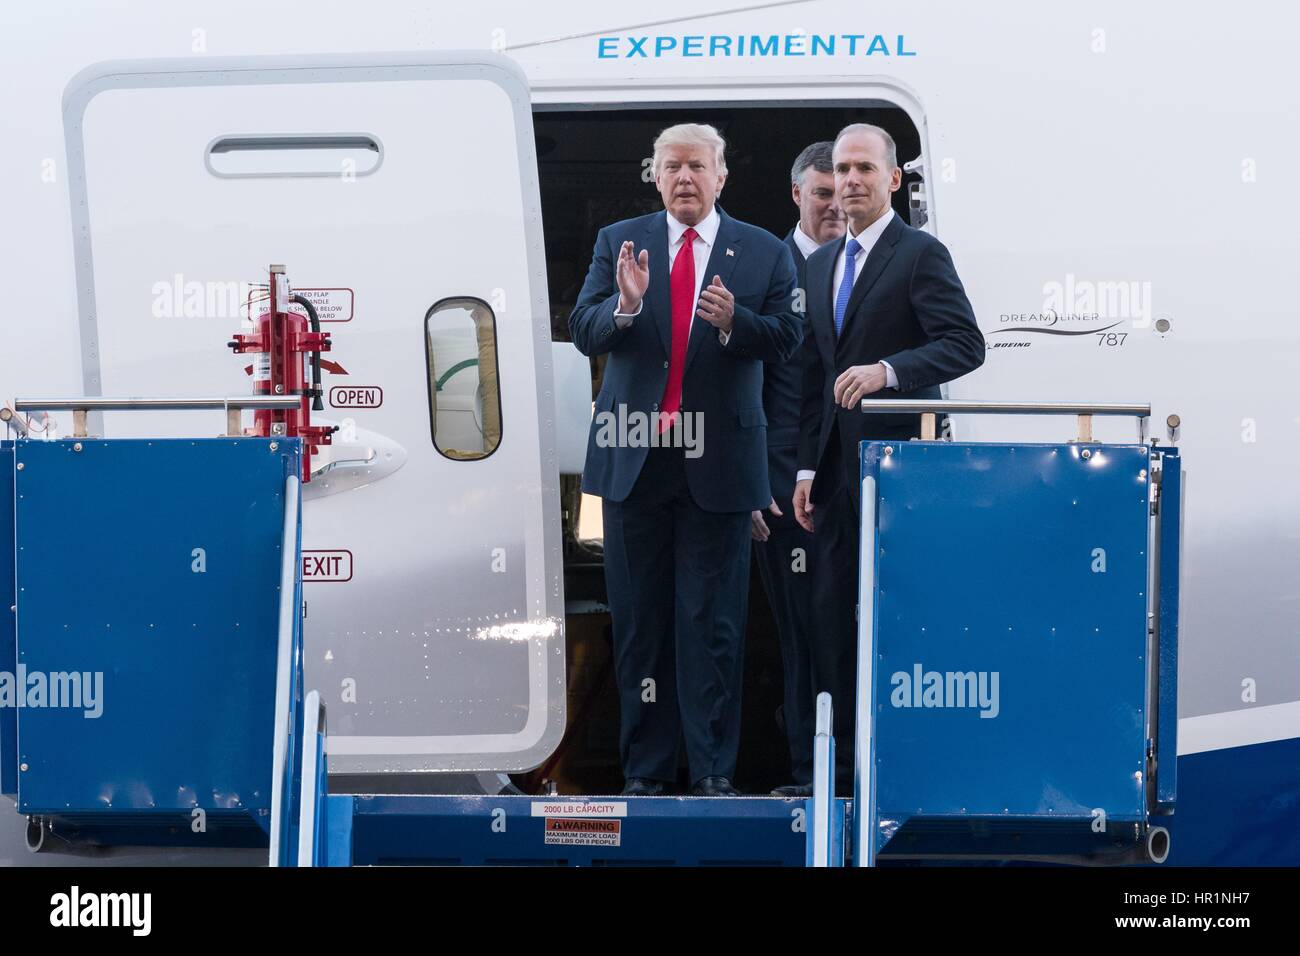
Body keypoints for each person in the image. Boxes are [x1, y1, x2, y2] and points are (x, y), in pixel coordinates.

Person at [569, 123, 802, 796]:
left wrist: (736, 324)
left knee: (714, 628)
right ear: (655, 174)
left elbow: (788, 339)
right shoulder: (619, 242)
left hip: (720, 463)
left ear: (721, 176)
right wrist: (625, 304)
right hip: (634, 461)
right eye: (671, 166)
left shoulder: (762, 251)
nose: (684, 178)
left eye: (697, 166)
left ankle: (712, 774)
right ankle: (643, 774)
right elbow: (586, 330)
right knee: (640, 626)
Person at [793, 123, 984, 791]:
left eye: (865, 169)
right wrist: (806, 469)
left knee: (904, 619)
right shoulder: (818, 264)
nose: (850, 181)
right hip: (836, 477)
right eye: (842, 169)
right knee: (828, 618)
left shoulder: (919, 253)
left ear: (894, 180)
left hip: (904, 475)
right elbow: (819, 373)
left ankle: (906, 766)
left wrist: (888, 371)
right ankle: (841, 772)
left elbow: (965, 345)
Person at [752, 141, 844, 798]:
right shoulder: (762, 269)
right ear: (796, 195)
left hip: (854, 488)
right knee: (801, 635)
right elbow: (739, 390)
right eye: (821, 194)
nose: (835, 206)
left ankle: (856, 770)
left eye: (843, 193)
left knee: (850, 630)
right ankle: (811, 777)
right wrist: (756, 483)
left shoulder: (868, 268)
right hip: (785, 493)